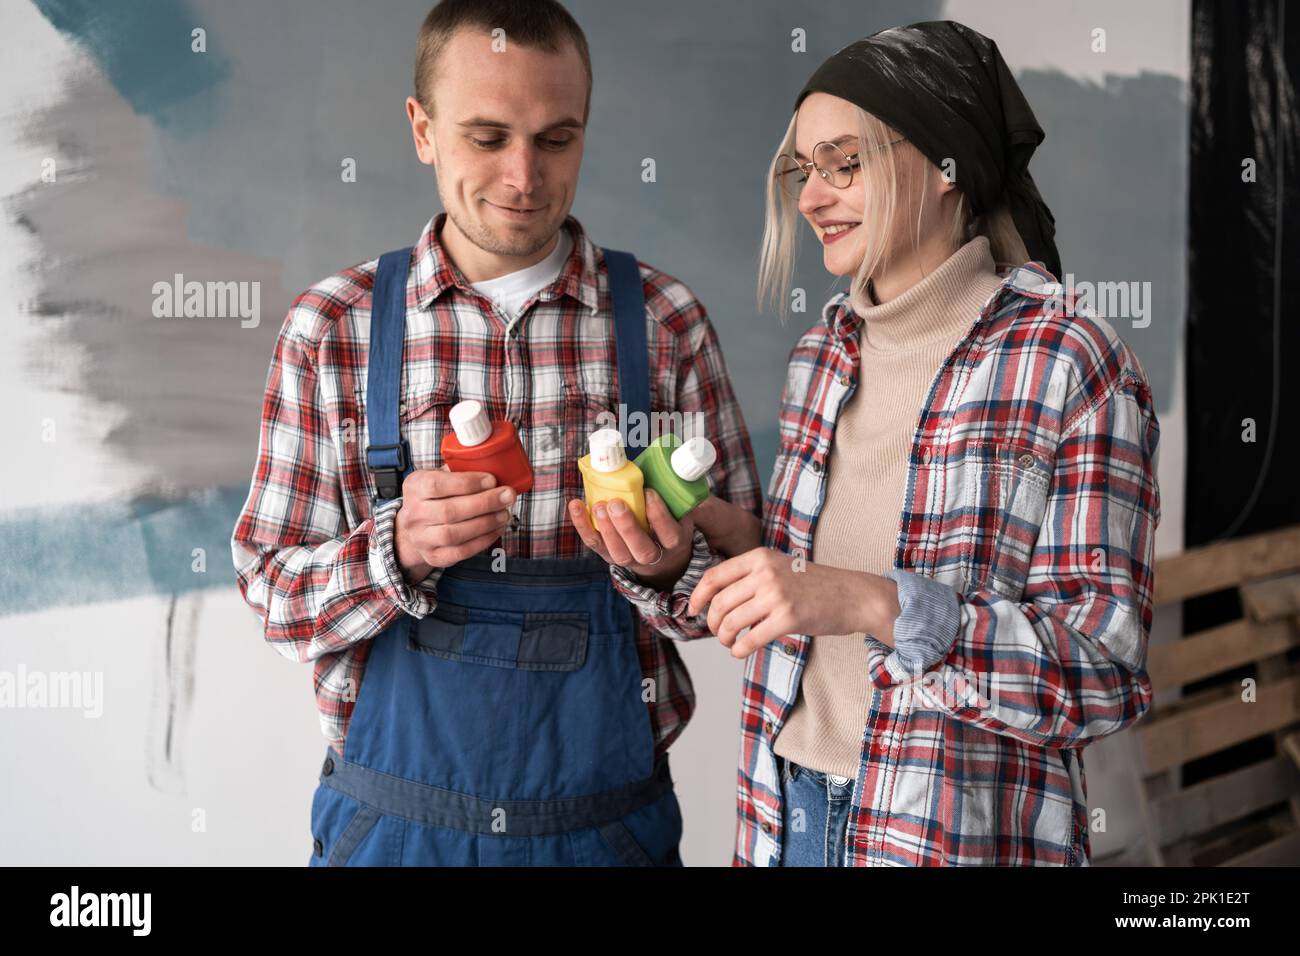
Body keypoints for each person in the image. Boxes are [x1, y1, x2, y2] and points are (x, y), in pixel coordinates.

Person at [231, 0, 760, 867]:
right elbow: (272, 594)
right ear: (421, 129)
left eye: (557, 139)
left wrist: (672, 569)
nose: (524, 175)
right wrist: (389, 552)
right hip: (392, 834)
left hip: (608, 834)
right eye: (487, 137)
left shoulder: (667, 325)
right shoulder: (334, 328)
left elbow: (749, 584)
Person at [686, 21, 1162, 866]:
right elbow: (817, 592)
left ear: (946, 165)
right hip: (784, 812)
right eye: (805, 170)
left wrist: (881, 605)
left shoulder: (1069, 364)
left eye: (845, 163)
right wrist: (732, 551)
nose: (810, 197)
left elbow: (1105, 676)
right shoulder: (818, 360)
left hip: (947, 842)